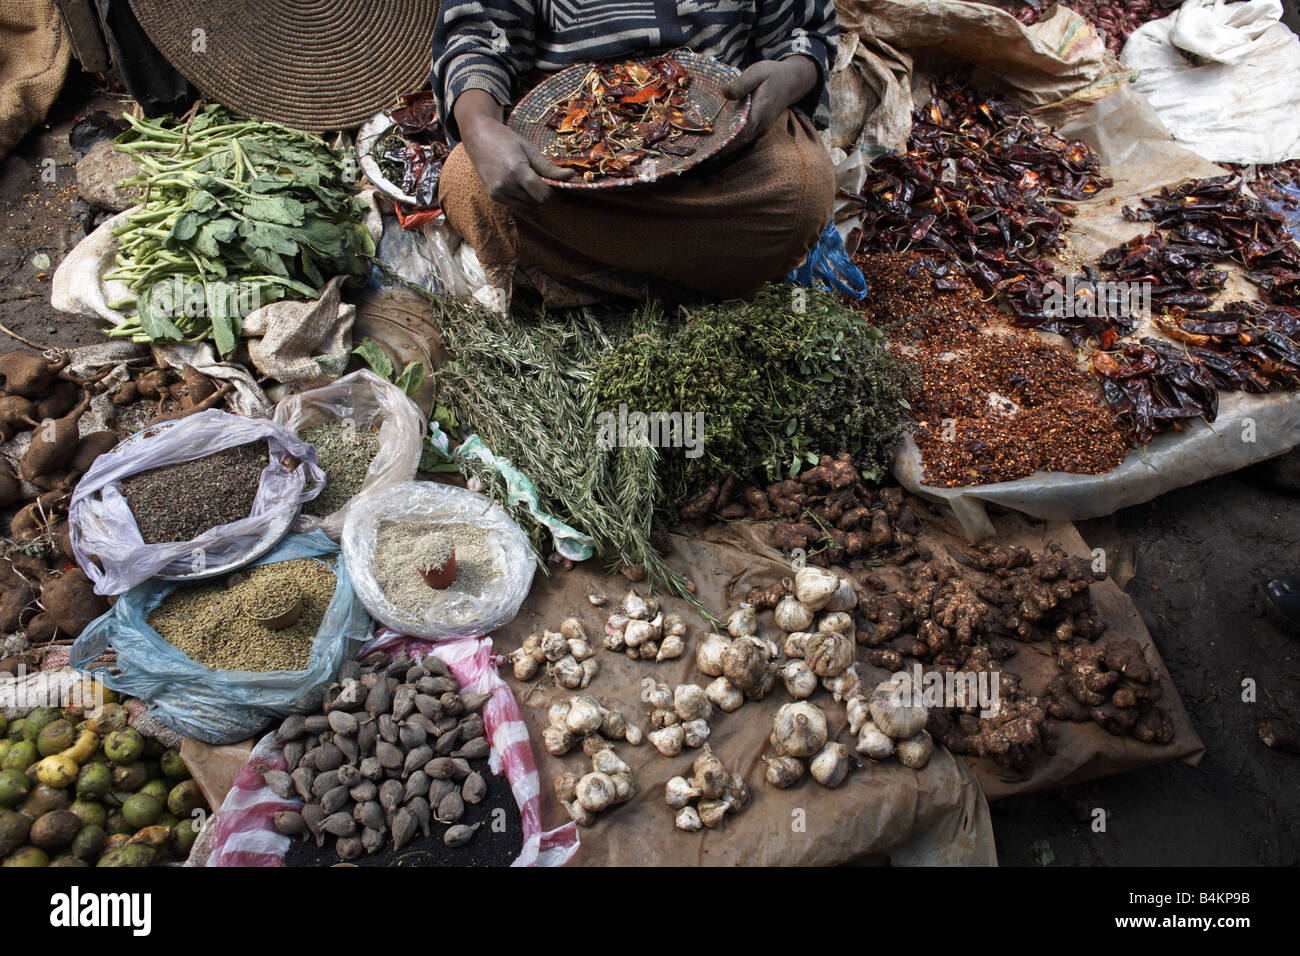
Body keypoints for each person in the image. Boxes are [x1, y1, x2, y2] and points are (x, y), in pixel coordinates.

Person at [430, 0, 838, 307]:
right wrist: (480, 125)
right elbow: (476, 34)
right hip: (566, 165)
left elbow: (804, 34)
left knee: (802, 190)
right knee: (468, 180)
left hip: (720, 142)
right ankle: (692, 278)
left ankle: (584, 280)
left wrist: (788, 76)